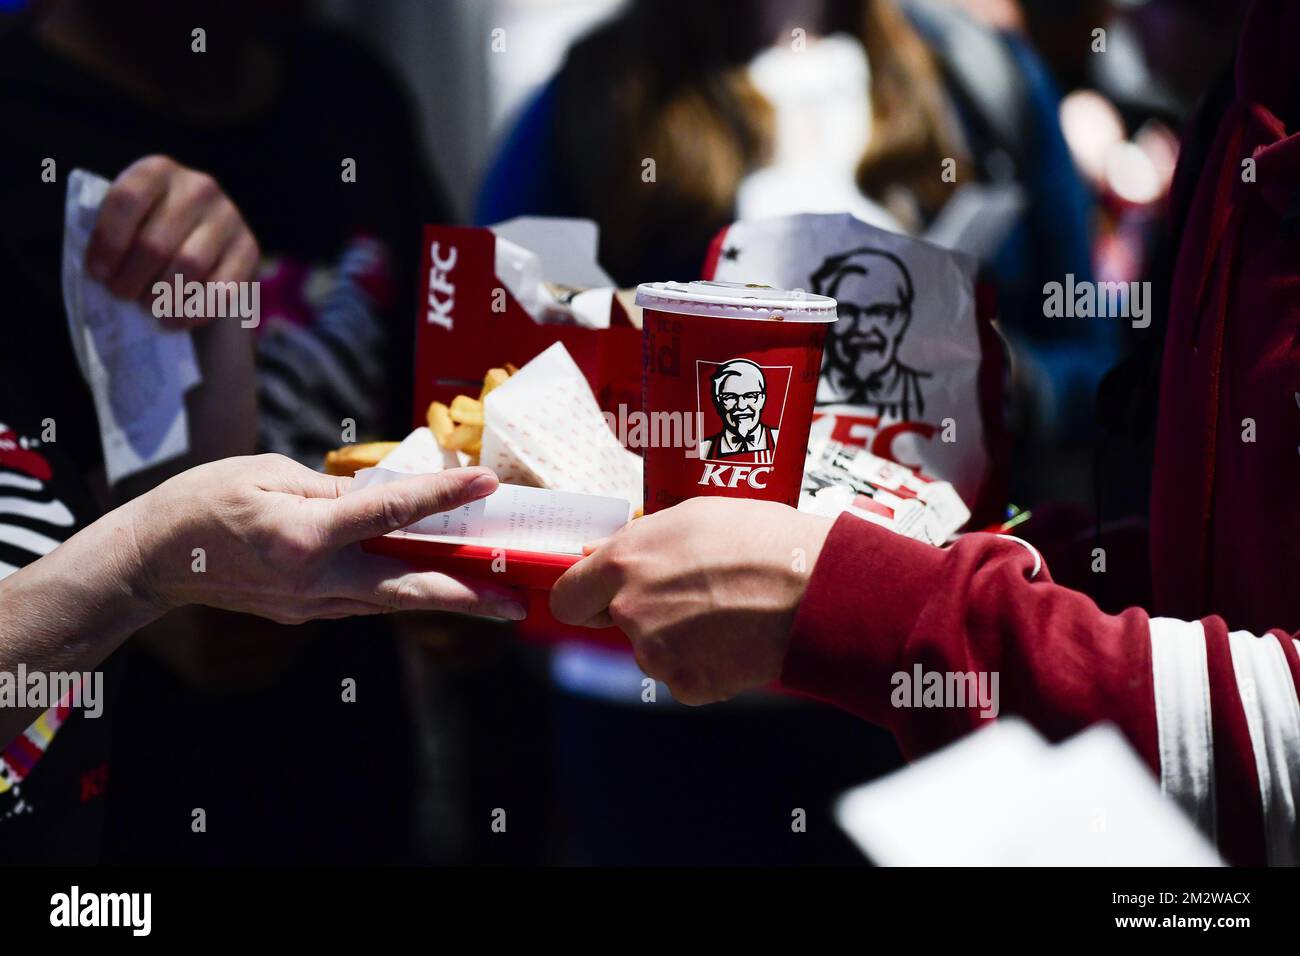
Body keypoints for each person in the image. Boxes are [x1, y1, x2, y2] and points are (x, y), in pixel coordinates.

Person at [551, 0, 1300, 867]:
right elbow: (1206, 561)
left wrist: (867, 589)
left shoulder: (979, 73)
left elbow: (1095, 361)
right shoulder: (601, 81)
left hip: (902, 713)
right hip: (651, 695)